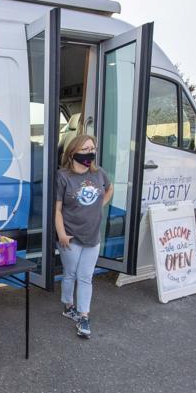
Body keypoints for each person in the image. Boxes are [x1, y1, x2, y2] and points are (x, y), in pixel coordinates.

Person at [54, 134, 112, 339]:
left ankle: (83, 315)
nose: (90, 153)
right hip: (70, 237)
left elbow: (109, 188)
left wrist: (100, 206)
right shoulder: (63, 177)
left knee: (85, 277)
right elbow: (57, 210)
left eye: (93, 148)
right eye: (86, 149)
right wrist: (61, 234)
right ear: (73, 152)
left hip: (92, 236)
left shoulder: (99, 173)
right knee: (70, 274)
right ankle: (68, 305)